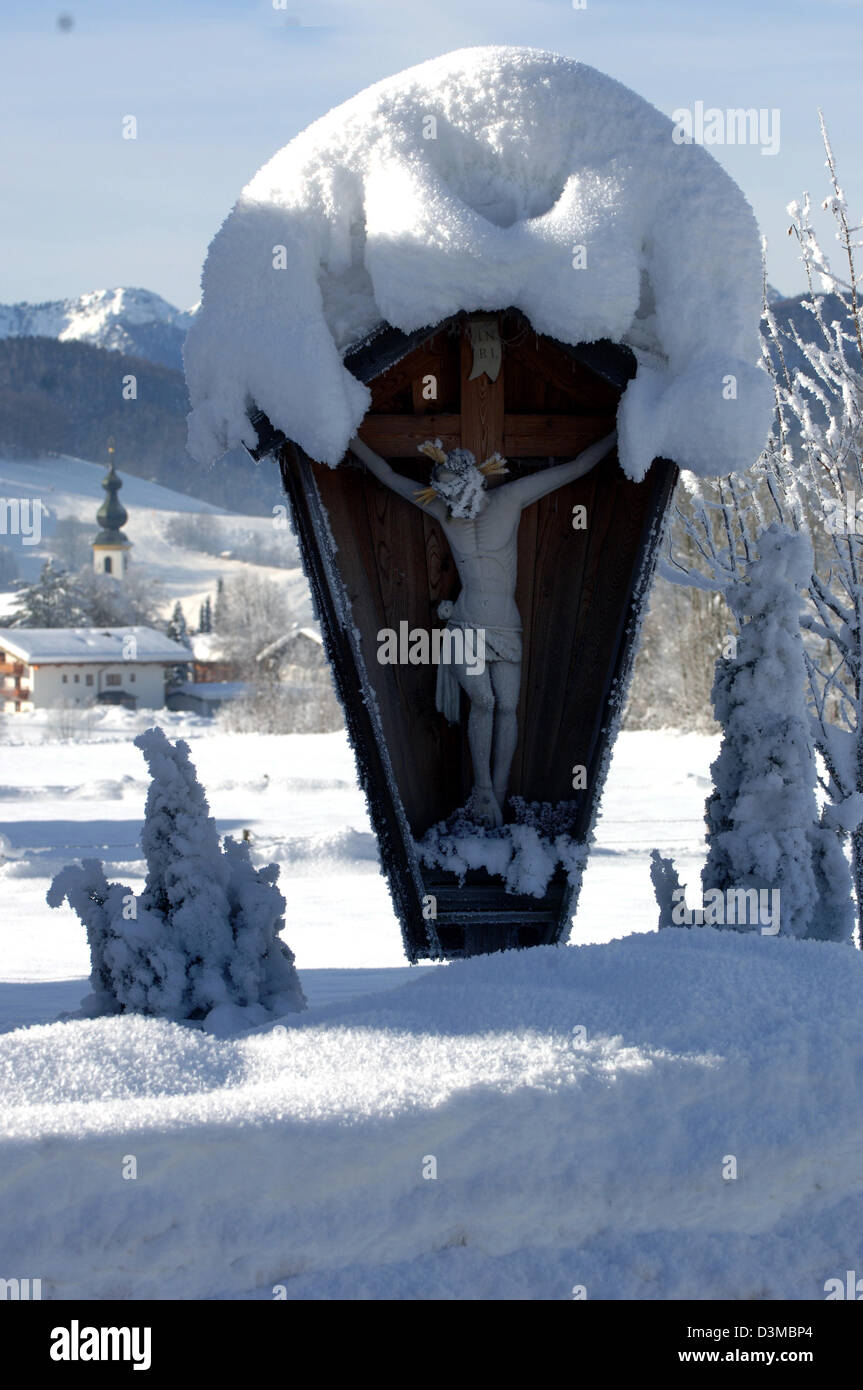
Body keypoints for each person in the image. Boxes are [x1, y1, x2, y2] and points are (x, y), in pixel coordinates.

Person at [349, 428, 617, 827]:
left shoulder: (510, 500)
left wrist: (618, 430)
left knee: (508, 705)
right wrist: (348, 436)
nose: (452, 502)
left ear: (473, 482)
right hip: (463, 622)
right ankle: (483, 792)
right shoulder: (444, 512)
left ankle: (500, 794)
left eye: (456, 492)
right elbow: (387, 475)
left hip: (505, 624)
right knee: (485, 702)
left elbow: (578, 466)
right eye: (445, 495)